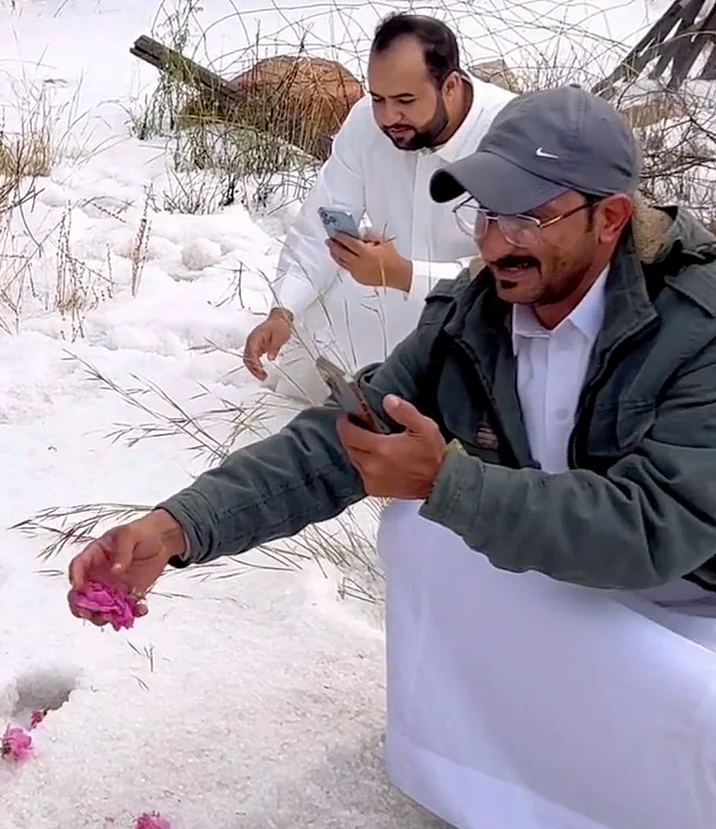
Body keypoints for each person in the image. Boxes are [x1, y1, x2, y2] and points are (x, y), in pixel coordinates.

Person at [69, 87, 716, 829]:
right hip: (563, 565)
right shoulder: (480, 311)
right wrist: (177, 528)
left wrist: (451, 482)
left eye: (527, 218)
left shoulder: (698, 327)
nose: (494, 242)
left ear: (611, 218)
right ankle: (489, 785)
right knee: (421, 528)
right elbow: (341, 439)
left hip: (691, 597)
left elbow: (654, 527)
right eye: (484, 212)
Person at [243, 13, 514, 397]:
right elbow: (323, 219)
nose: (388, 117)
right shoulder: (367, 123)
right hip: (385, 305)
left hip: (483, 325)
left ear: (450, 86)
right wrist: (282, 310)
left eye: (405, 101)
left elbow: (512, 275)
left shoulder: (509, 133)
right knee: (300, 370)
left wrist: (403, 273)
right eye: (378, 99)